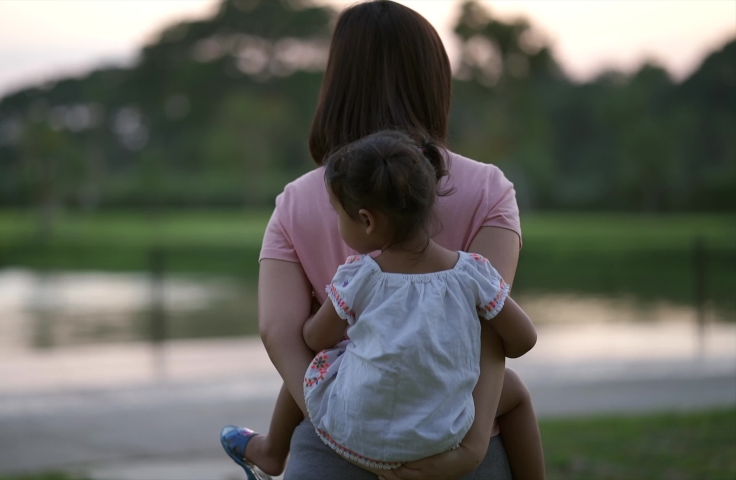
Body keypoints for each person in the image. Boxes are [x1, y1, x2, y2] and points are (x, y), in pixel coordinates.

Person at [223, 1, 545, 478]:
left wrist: (341, 431)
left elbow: (281, 332)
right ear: (434, 79)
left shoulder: (297, 201)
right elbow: (493, 331)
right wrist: (472, 445)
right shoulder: (488, 189)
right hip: (456, 445)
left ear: (336, 83)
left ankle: (270, 450)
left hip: (330, 448)